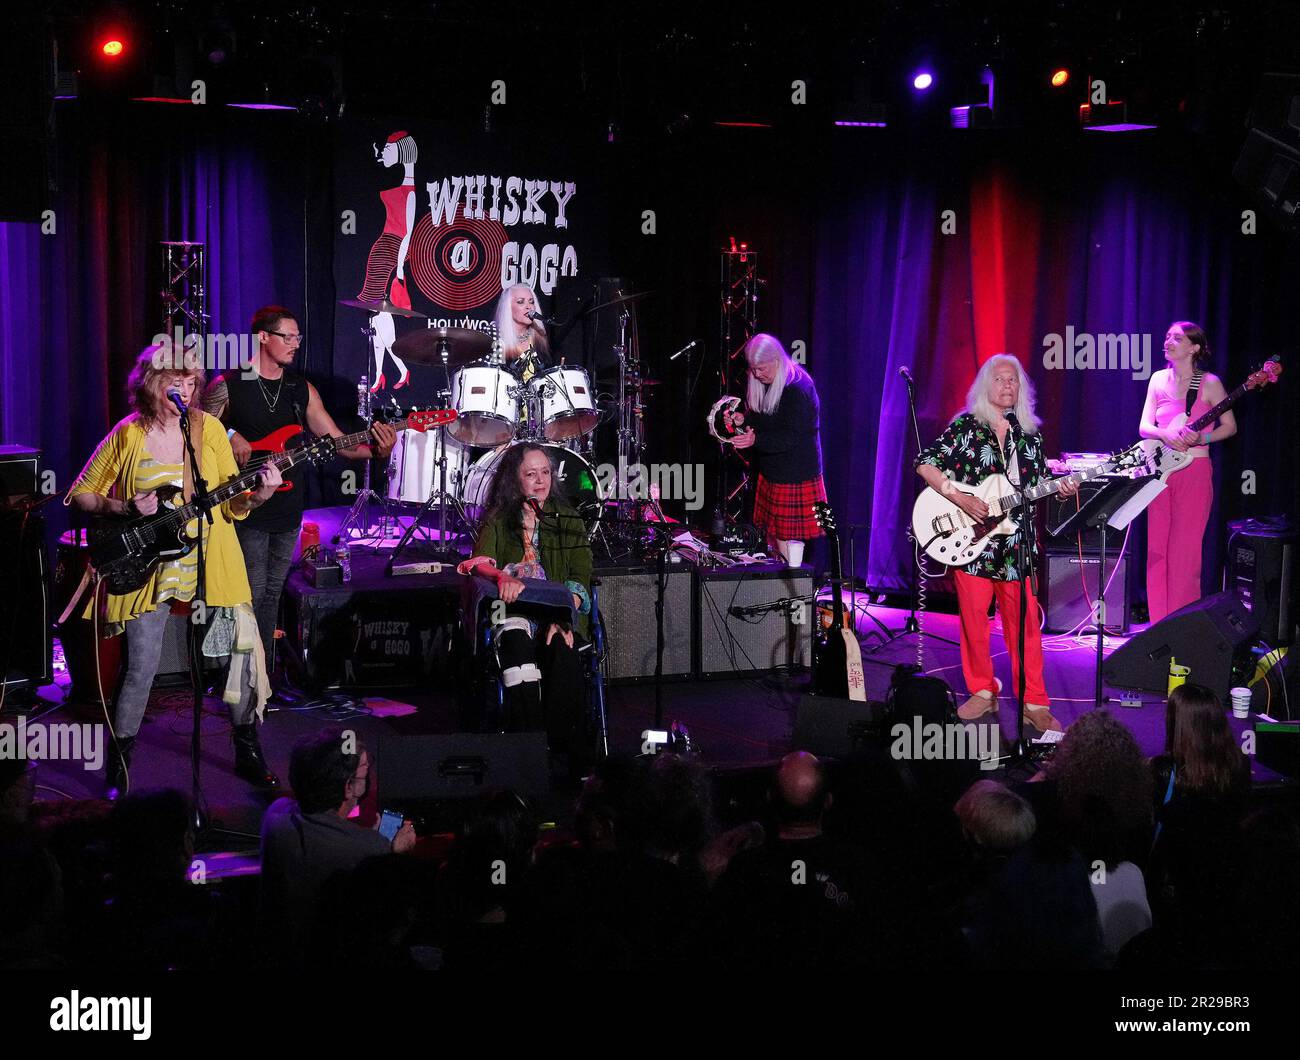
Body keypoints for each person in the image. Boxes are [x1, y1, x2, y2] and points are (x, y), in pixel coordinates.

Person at [67, 343, 283, 797]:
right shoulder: (128, 434)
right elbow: (81, 493)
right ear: (150, 384)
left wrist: (259, 495)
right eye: (173, 382)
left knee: (239, 658)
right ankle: (120, 760)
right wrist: (122, 504)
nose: (182, 390)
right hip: (149, 566)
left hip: (211, 559)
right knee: (141, 665)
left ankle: (248, 747)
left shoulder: (209, 431)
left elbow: (232, 496)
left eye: (189, 383)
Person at [203, 306, 396, 667]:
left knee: (273, 593)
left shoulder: (299, 389)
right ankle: (242, 676)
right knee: (250, 593)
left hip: (288, 505)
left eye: (298, 337)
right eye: (287, 337)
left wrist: (377, 450)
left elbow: (340, 441)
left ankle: (262, 676)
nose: (295, 344)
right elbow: (194, 430)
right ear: (263, 337)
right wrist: (229, 433)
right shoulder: (228, 385)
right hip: (246, 505)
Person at [914, 354, 1077, 732]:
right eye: (1000, 379)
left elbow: (1038, 487)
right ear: (986, 386)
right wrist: (959, 497)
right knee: (973, 621)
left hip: (1016, 543)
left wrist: (1064, 491)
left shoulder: (1030, 434)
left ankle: (1034, 700)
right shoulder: (967, 427)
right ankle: (982, 691)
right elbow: (925, 462)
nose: (1007, 385)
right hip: (971, 541)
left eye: (1014, 380)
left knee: (1024, 626)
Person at [457, 444, 592, 761]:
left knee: (563, 652)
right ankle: (529, 750)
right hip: (513, 612)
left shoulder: (568, 518)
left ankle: (562, 752)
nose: (540, 480)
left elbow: (581, 576)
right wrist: (500, 576)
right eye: (530, 474)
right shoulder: (500, 519)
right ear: (514, 479)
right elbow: (477, 562)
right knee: (517, 649)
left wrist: (562, 618)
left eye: (545, 472)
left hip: (557, 612)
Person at [259, 727, 415, 964]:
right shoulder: (371, 849)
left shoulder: (275, 816)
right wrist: (395, 855)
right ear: (348, 787)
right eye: (364, 772)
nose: (369, 776)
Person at [1137, 321, 1236, 623]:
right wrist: (1166, 435)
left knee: (1185, 555)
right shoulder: (1157, 379)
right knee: (1157, 552)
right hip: (1161, 473)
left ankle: (1180, 627)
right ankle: (1157, 627)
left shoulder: (1209, 382)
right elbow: (1144, 427)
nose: (1168, 341)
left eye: (1177, 338)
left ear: (1194, 347)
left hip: (1194, 470)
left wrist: (1202, 437)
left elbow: (1230, 427)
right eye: (1167, 336)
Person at [728, 333, 826, 565]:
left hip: (794, 473)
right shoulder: (769, 383)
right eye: (753, 369)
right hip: (773, 470)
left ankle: (794, 593)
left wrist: (755, 441)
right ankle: (780, 586)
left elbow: (789, 438)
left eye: (761, 368)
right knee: (772, 536)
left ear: (777, 360)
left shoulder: (798, 390)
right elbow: (767, 417)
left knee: (786, 537)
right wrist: (744, 420)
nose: (756, 374)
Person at [493, 284, 551, 383]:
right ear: (508, 308)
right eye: (520, 302)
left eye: (531, 302)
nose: (529, 307)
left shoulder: (541, 337)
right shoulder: (495, 336)